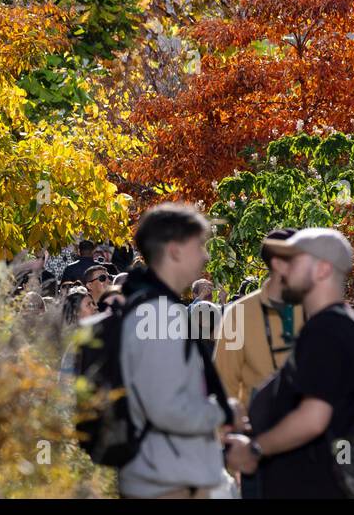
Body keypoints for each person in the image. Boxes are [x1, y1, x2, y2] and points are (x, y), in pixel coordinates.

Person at [223, 228, 354, 498]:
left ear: (322, 269)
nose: (282, 269)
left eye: (293, 260)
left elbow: (315, 418)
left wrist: (255, 449)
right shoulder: (340, 324)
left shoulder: (327, 330)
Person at [116, 204, 233, 499]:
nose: (206, 256)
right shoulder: (158, 314)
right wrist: (221, 412)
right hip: (169, 481)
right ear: (175, 250)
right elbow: (167, 409)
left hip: (167, 475)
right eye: (200, 246)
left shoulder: (151, 305)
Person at [213, 228, 304, 498]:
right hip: (260, 450)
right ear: (278, 263)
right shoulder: (238, 315)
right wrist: (232, 451)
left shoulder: (317, 309)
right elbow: (224, 387)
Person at [188, 278, 223, 351]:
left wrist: (223, 302)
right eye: (204, 289)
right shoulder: (188, 310)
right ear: (195, 295)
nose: (208, 292)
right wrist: (202, 296)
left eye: (210, 289)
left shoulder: (218, 309)